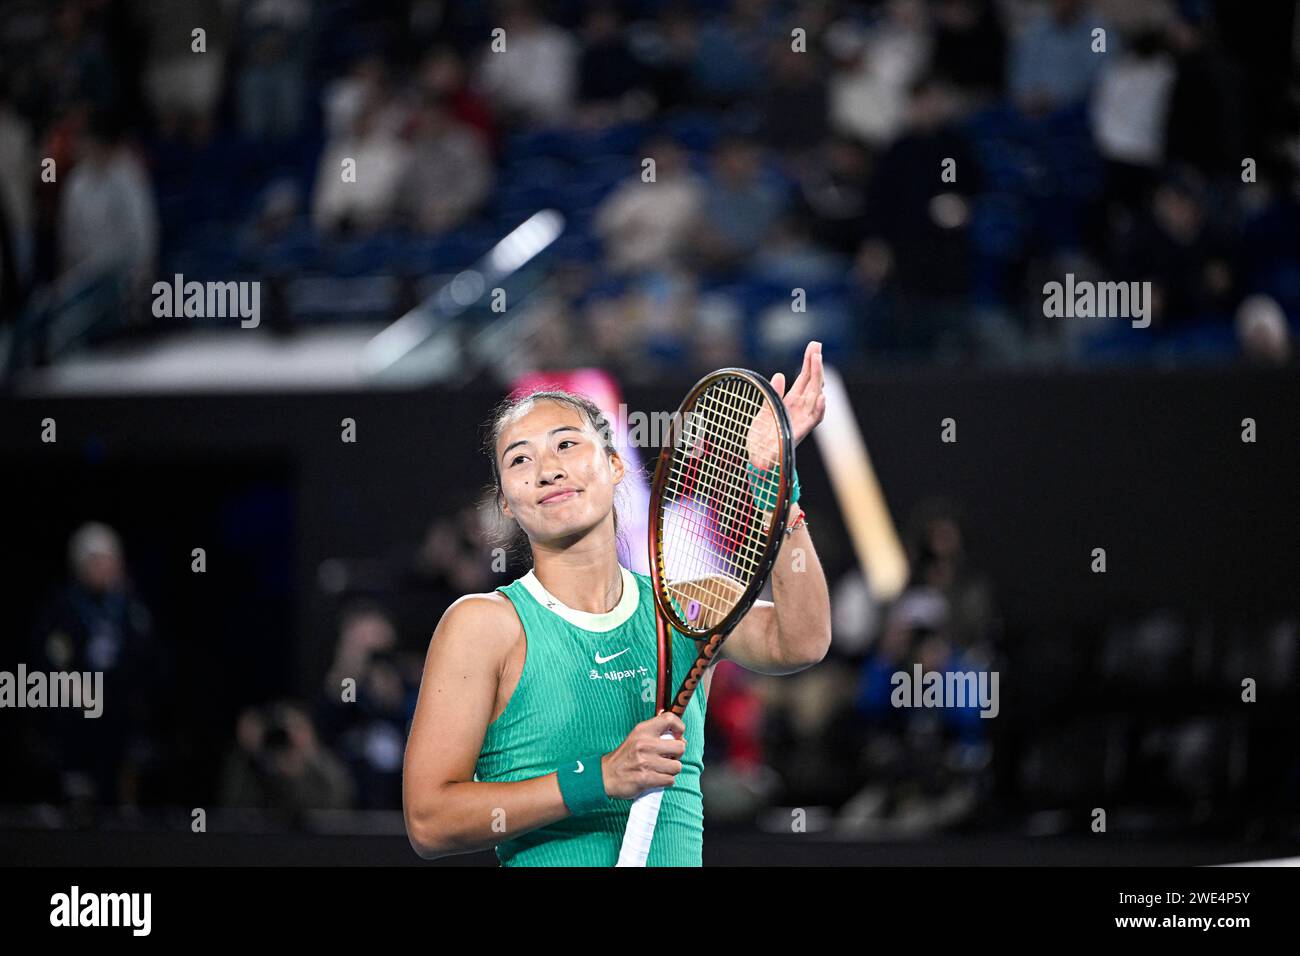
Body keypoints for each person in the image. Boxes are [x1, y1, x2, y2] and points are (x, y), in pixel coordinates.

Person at [403, 341, 833, 865]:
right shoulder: (483, 626)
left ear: (615, 466)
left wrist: (775, 485)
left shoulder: (686, 605)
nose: (547, 469)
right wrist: (600, 777)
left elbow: (802, 640)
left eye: (566, 445)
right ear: (506, 504)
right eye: (520, 459)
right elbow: (429, 821)